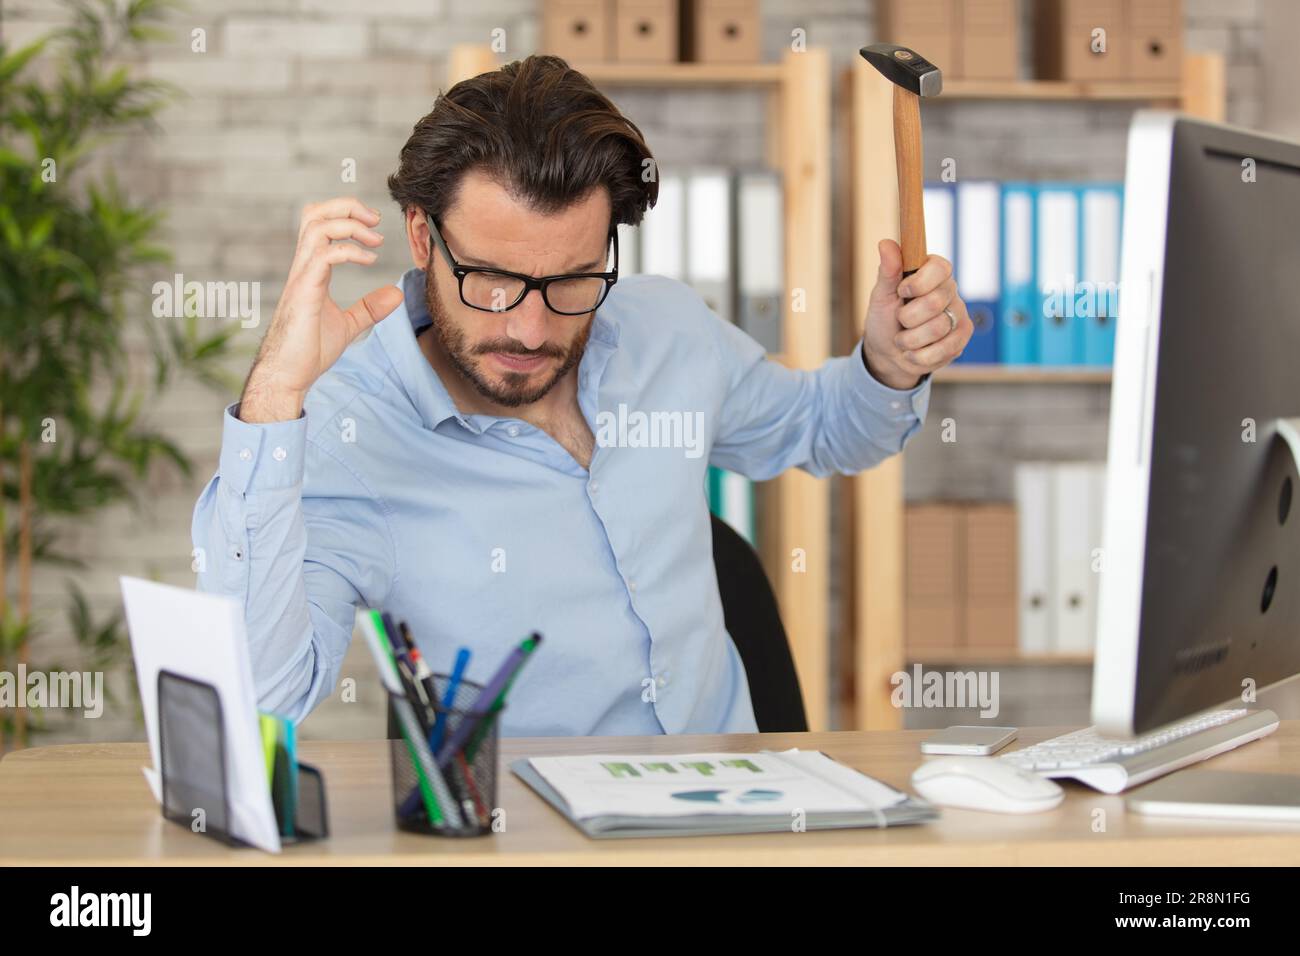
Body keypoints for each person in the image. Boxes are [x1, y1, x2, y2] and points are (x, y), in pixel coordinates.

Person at [191, 55, 972, 736]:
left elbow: (826, 428)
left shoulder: (665, 330)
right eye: (493, 281)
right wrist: (275, 397)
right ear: (423, 237)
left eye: (570, 281)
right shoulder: (350, 437)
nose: (530, 329)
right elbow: (262, 695)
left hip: (737, 817)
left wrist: (889, 360)